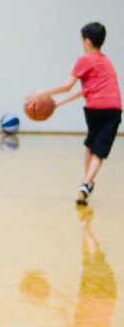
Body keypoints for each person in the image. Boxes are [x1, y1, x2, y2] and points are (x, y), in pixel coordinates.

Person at [27, 22, 121, 206]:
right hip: (112, 109)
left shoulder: (84, 60)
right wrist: (59, 103)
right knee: (96, 148)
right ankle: (87, 183)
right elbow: (85, 89)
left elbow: (67, 85)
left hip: (95, 109)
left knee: (92, 147)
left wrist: (42, 93)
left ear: (86, 41)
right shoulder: (105, 61)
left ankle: (86, 183)